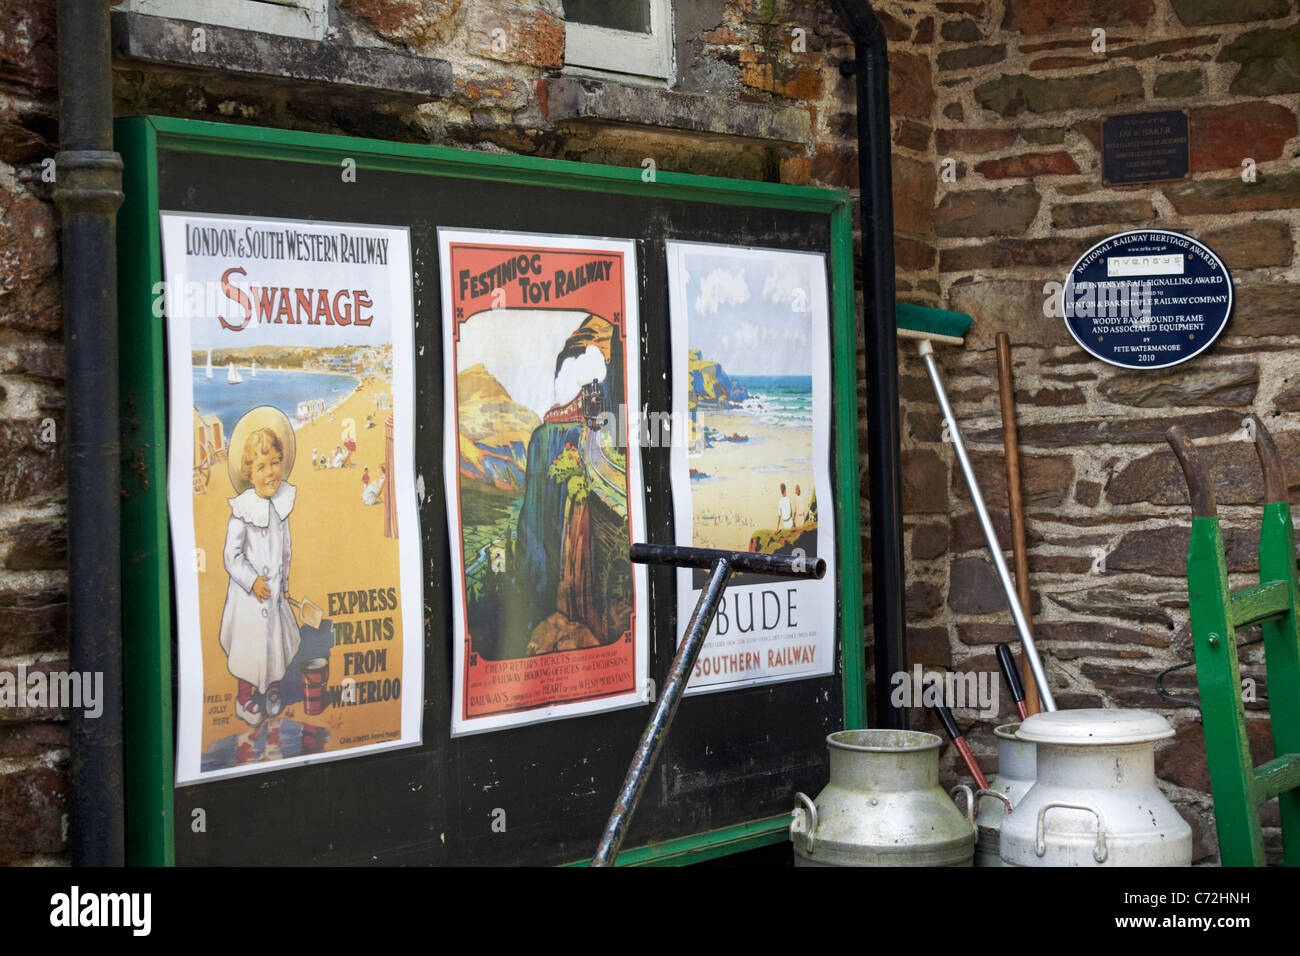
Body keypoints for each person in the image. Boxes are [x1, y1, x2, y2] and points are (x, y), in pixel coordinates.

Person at [218, 407, 301, 727]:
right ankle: (245, 698)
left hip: (276, 593)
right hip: (250, 601)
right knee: (250, 651)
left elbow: (286, 550)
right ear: (250, 473)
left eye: (275, 463)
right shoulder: (242, 511)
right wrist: (252, 581)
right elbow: (231, 556)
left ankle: (275, 689)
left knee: (275, 649)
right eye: (262, 467)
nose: (270, 473)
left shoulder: (282, 505)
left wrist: (286, 581)